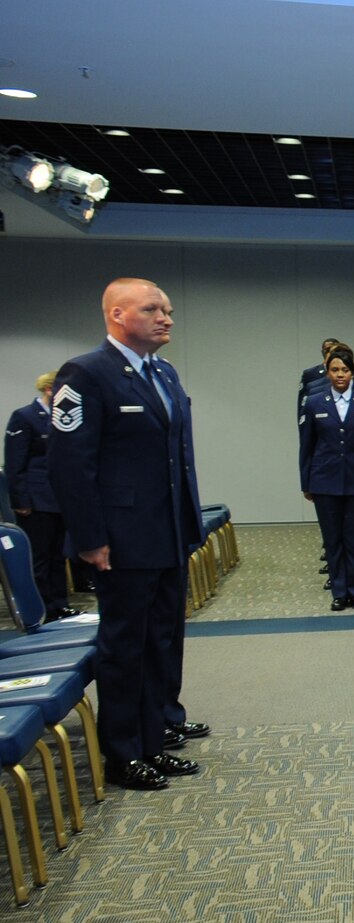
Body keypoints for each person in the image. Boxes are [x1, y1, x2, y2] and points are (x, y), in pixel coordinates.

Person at [47, 277, 210, 791]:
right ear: (117, 315)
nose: (166, 318)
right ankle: (122, 753)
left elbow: (174, 460)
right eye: (153, 310)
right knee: (125, 646)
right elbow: (71, 466)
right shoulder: (87, 374)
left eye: (168, 310)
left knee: (161, 640)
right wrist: (90, 538)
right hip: (121, 539)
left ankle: (152, 739)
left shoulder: (162, 372)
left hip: (166, 534)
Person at [299, 346, 354, 610]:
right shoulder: (314, 401)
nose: (340, 375)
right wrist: (306, 482)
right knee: (333, 538)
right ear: (327, 372)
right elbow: (306, 445)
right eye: (335, 370)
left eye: (345, 370)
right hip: (325, 479)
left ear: (353, 373)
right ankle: (339, 591)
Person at [6, 371, 79, 620]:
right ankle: (42, 608)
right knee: (40, 556)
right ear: (49, 389)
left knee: (59, 555)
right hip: (36, 499)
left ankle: (60, 604)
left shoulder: (64, 417)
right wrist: (20, 501)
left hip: (60, 497)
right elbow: (15, 463)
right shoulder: (25, 417)